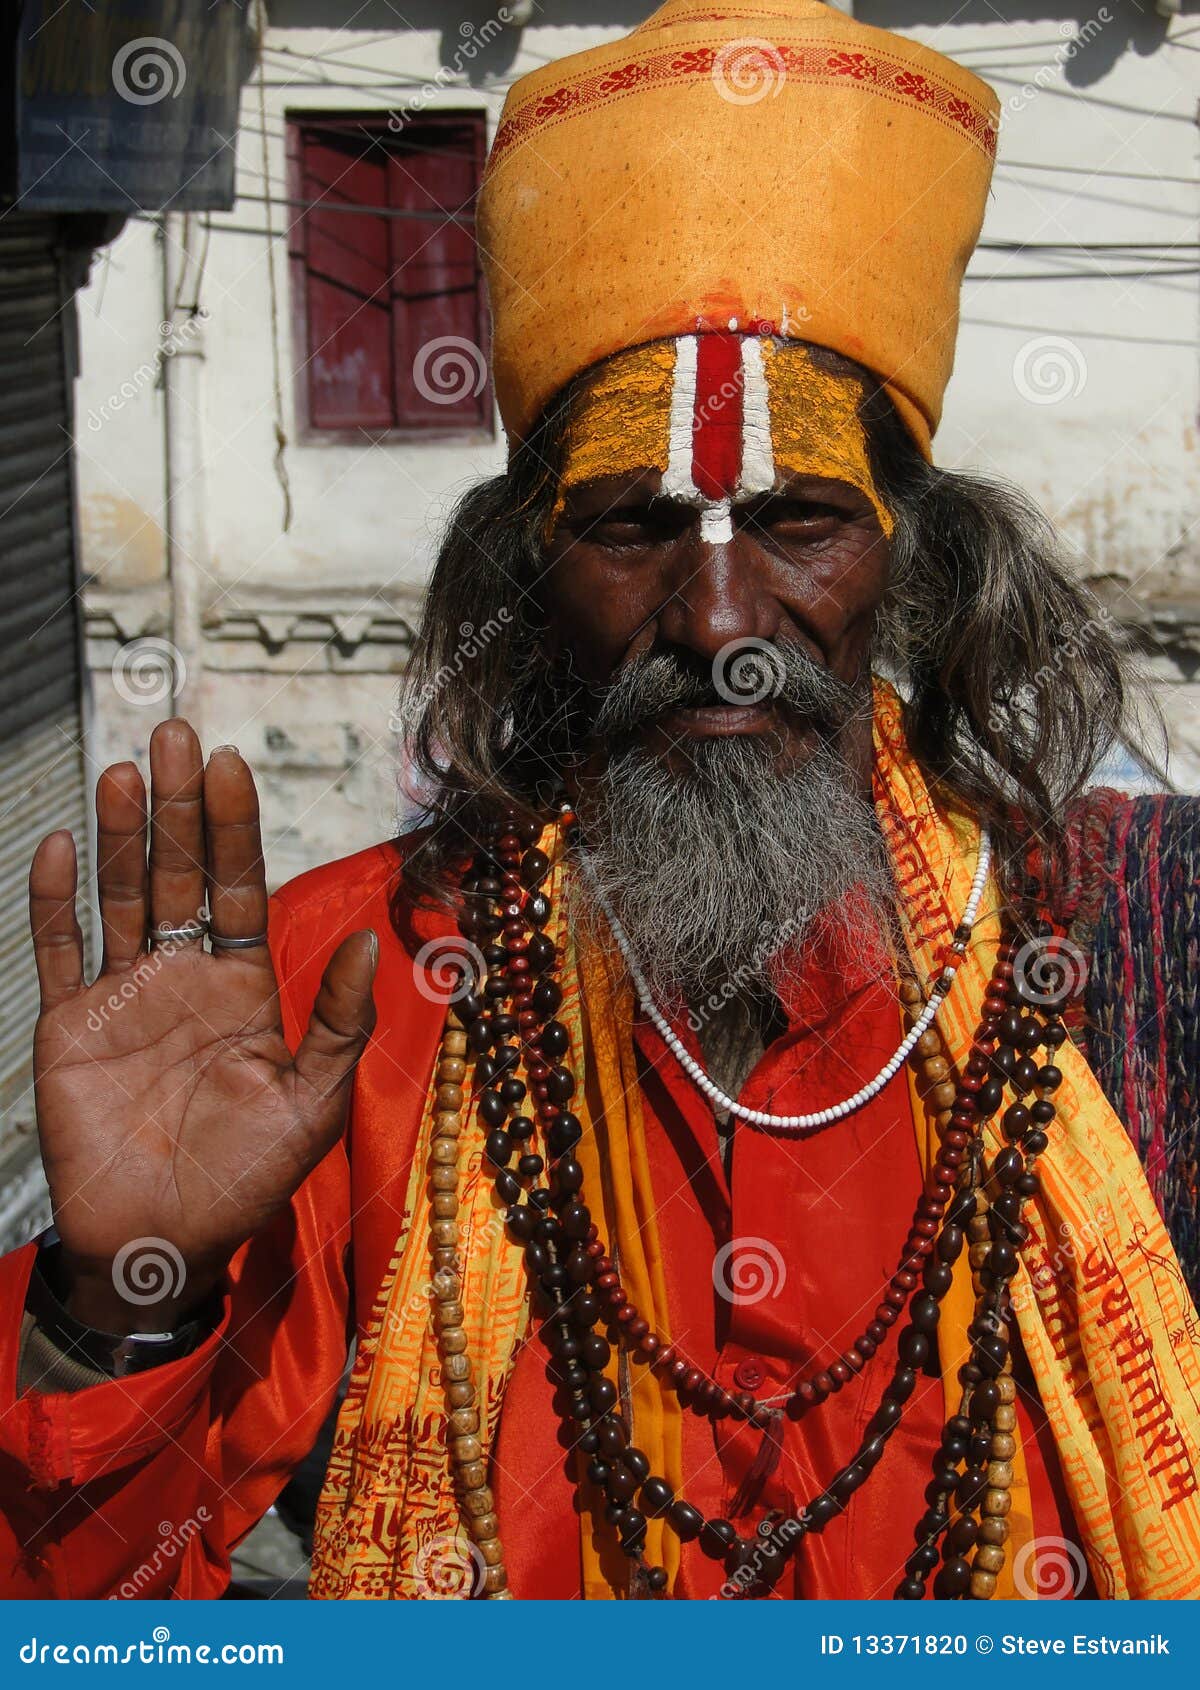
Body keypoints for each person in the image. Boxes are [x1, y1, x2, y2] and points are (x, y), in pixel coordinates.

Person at [2, 0, 1198, 1602]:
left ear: (916, 552)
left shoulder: (1122, 953)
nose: (717, 623)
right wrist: (120, 1304)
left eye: (799, 522)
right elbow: (86, 1620)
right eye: (633, 527)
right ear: (523, 569)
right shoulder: (345, 992)